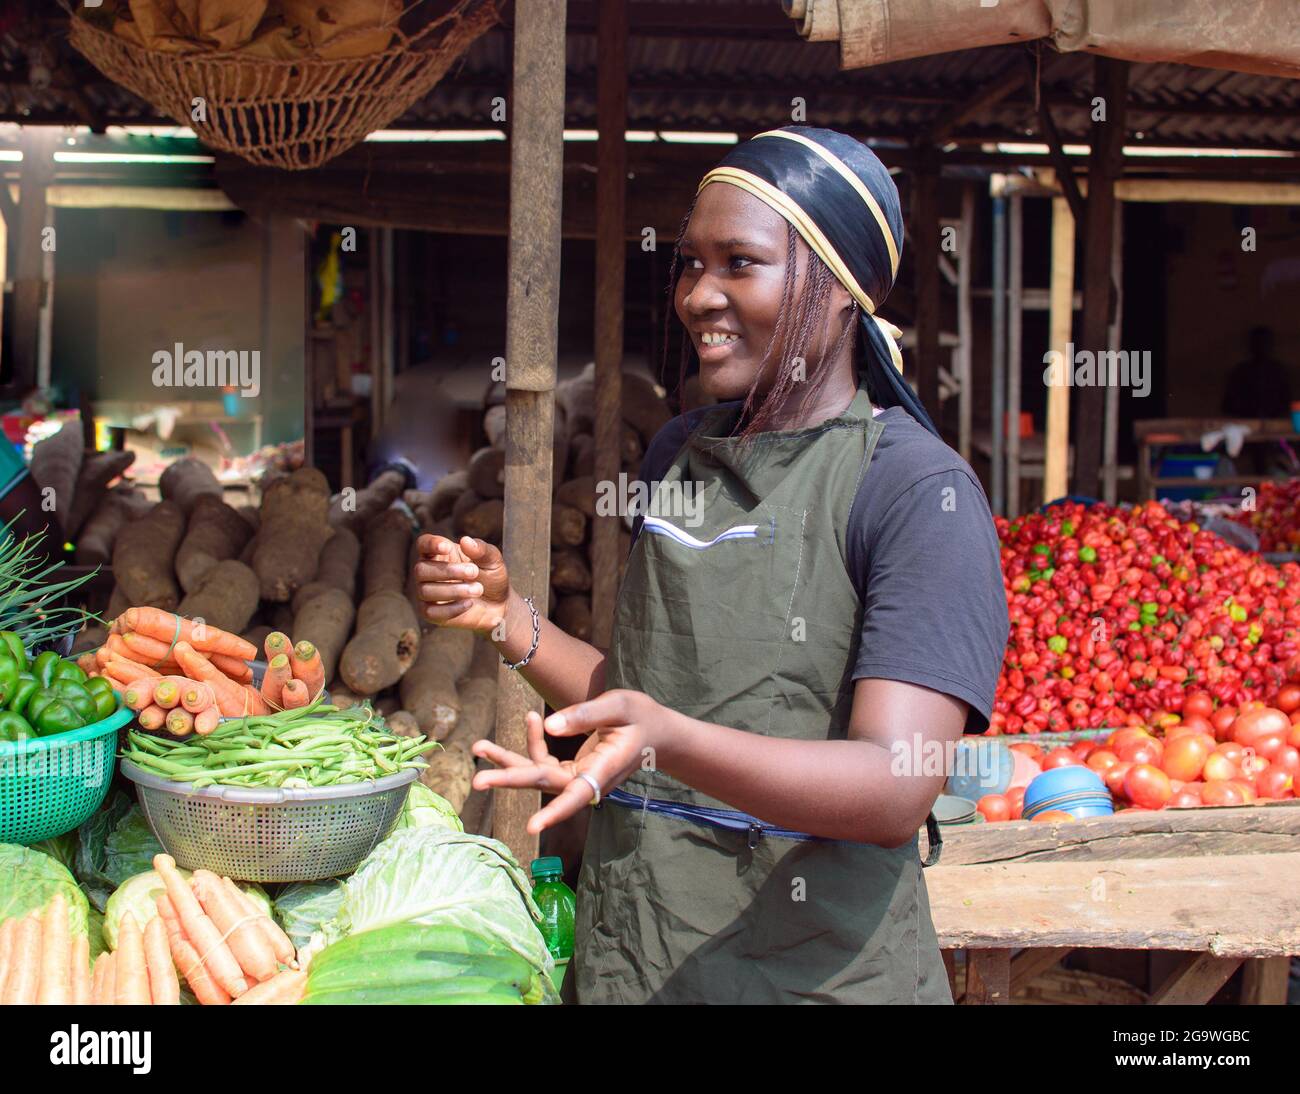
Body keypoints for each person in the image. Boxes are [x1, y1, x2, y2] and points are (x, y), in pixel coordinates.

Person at [413, 126, 1008, 1005]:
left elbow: (893, 786)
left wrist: (670, 739)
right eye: (691, 264)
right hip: (639, 956)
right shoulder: (678, 456)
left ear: (841, 292)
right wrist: (506, 621)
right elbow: (647, 694)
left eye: (741, 263)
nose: (699, 295)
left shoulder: (915, 491)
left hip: (808, 974)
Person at [1222, 326, 1290, 419]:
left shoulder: (1279, 372)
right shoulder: (1240, 371)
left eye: (1265, 343)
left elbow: (1287, 402)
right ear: (1251, 345)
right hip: (1245, 424)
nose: (1261, 346)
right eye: (1258, 343)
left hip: (1274, 423)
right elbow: (1228, 404)